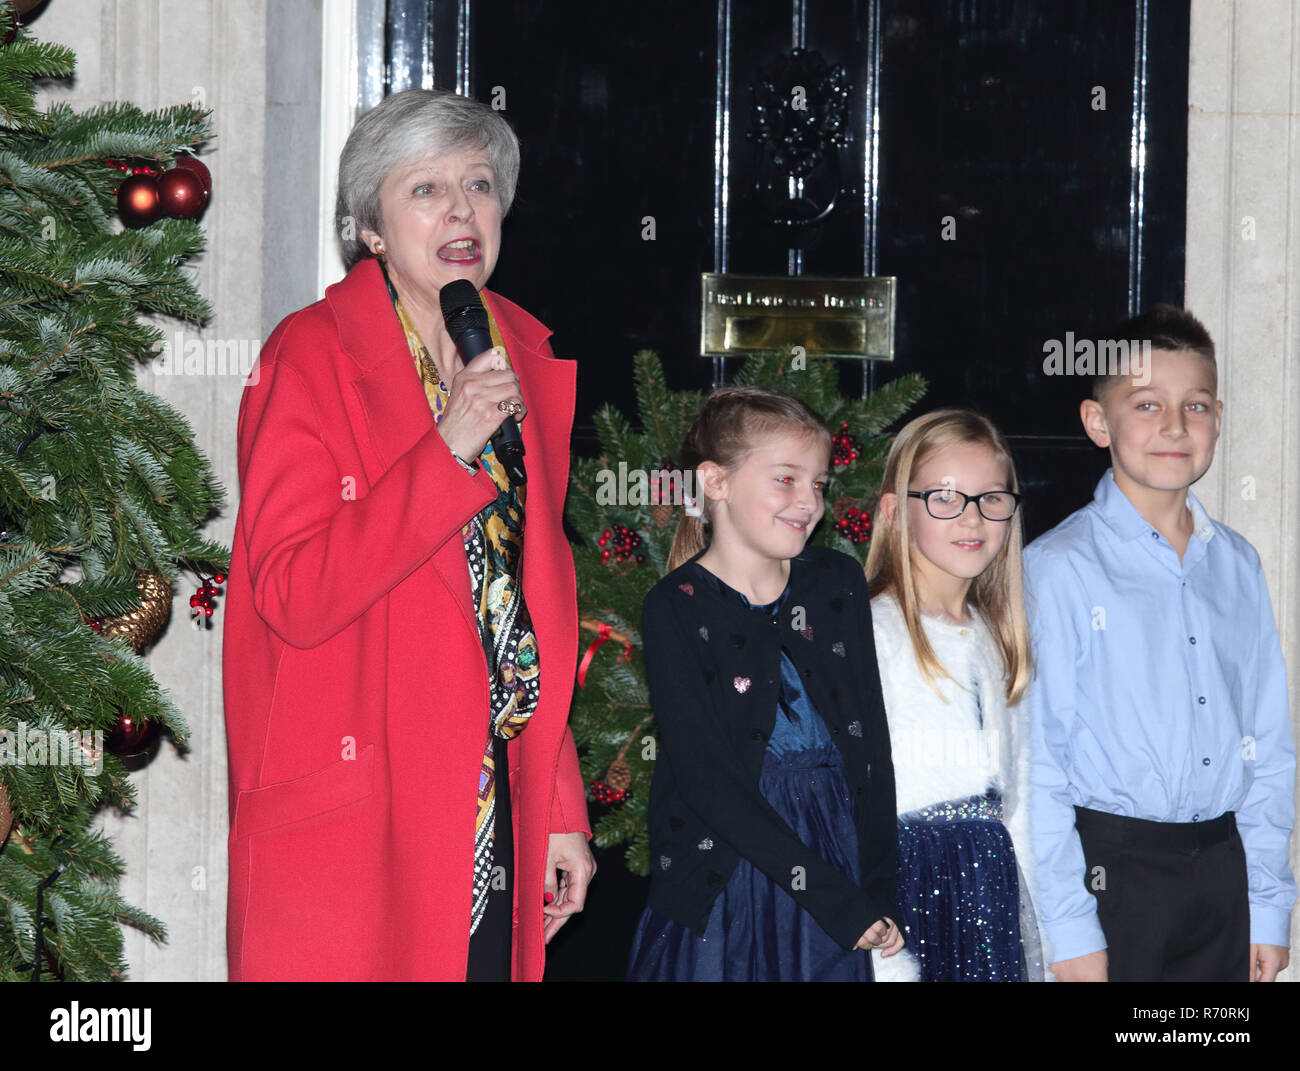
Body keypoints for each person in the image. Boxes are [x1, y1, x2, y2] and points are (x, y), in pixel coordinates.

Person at [223, 88, 594, 981]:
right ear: (373, 229)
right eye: (426, 189)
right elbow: (294, 594)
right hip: (358, 816)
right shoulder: (309, 355)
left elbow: (520, 604)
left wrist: (556, 801)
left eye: (479, 184)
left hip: (489, 807)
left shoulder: (518, 360)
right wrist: (445, 450)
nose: (463, 209)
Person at [1025, 305, 1297, 982]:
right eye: (1146, 404)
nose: (1175, 426)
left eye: (1195, 405)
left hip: (1221, 873)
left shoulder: (1237, 563)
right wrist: (1068, 927)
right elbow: (1039, 764)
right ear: (1098, 421)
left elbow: (1268, 740)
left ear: (1218, 418)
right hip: (1112, 875)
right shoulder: (1057, 568)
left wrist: (1267, 902)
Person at [625, 386, 902, 981]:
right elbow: (707, 782)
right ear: (716, 482)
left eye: (819, 484)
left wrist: (875, 888)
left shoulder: (835, 581)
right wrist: (832, 897)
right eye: (786, 479)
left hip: (837, 849)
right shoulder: (676, 607)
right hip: (733, 866)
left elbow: (870, 744)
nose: (809, 502)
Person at [865, 409, 1041, 982]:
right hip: (907, 885)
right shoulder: (872, 632)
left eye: (992, 498)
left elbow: (1020, 807)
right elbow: (844, 799)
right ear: (895, 511)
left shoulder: (998, 639)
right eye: (945, 497)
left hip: (988, 886)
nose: (973, 518)